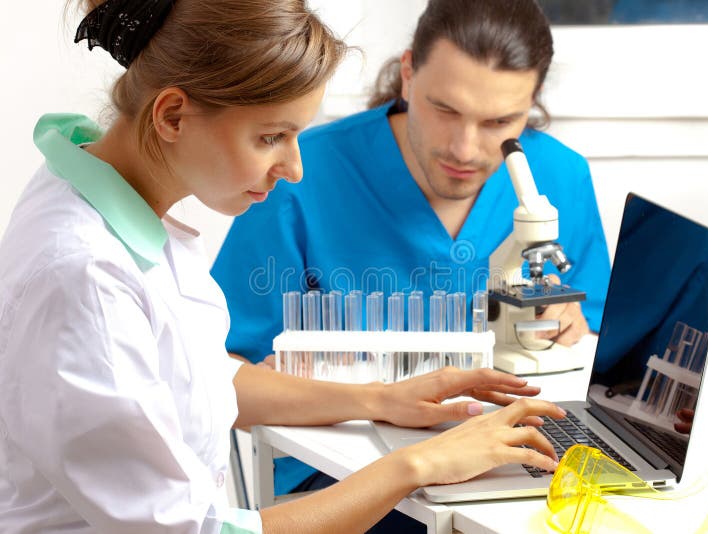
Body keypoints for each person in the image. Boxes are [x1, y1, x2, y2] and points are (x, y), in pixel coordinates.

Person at [0, 1, 569, 532]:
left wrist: (380, 399)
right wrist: (418, 465)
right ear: (172, 115)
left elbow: (200, 378)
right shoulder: (87, 275)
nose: (295, 169)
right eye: (271, 136)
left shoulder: (102, 195)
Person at [211, 0, 612, 502]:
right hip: (339, 477)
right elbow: (215, 372)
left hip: (512, 462)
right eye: (446, 110)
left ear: (530, 103)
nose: (465, 149)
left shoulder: (559, 175)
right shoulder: (299, 174)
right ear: (407, 75)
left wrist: (567, 322)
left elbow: (597, 345)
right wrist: (372, 401)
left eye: (499, 122)